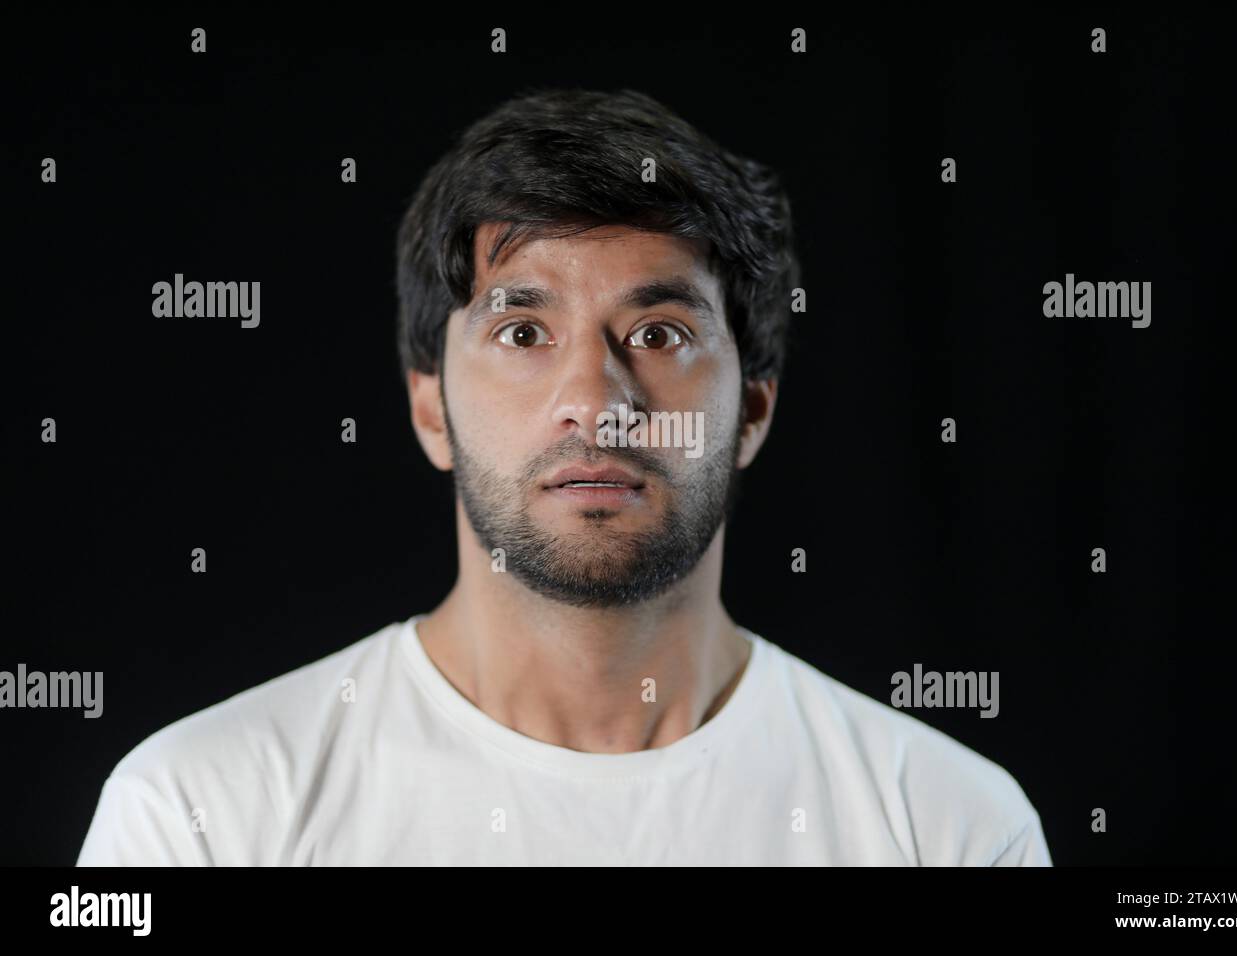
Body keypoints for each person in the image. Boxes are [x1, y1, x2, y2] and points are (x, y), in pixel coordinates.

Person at [77, 88, 1050, 866]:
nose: (595, 398)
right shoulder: (196, 817)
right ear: (431, 408)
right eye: (522, 331)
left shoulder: (948, 826)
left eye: (659, 332)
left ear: (751, 408)